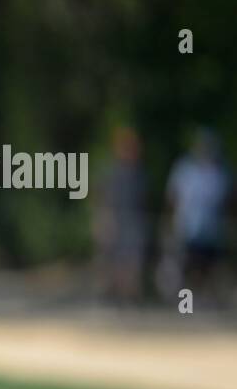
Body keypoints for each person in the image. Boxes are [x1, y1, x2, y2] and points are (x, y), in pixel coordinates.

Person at [163, 129, 230, 304]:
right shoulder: (184, 169)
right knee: (187, 267)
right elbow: (173, 197)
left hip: (209, 231)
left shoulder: (218, 173)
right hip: (187, 228)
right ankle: (185, 304)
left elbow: (225, 202)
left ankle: (204, 301)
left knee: (207, 268)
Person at [93, 125, 148, 304]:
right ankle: (113, 299)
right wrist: (102, 222)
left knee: (133, 265)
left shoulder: (140, 174)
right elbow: (102, 199)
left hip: (134, 224)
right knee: (113, 266)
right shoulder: (111, 172)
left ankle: (130, 301)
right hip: (115, 223)